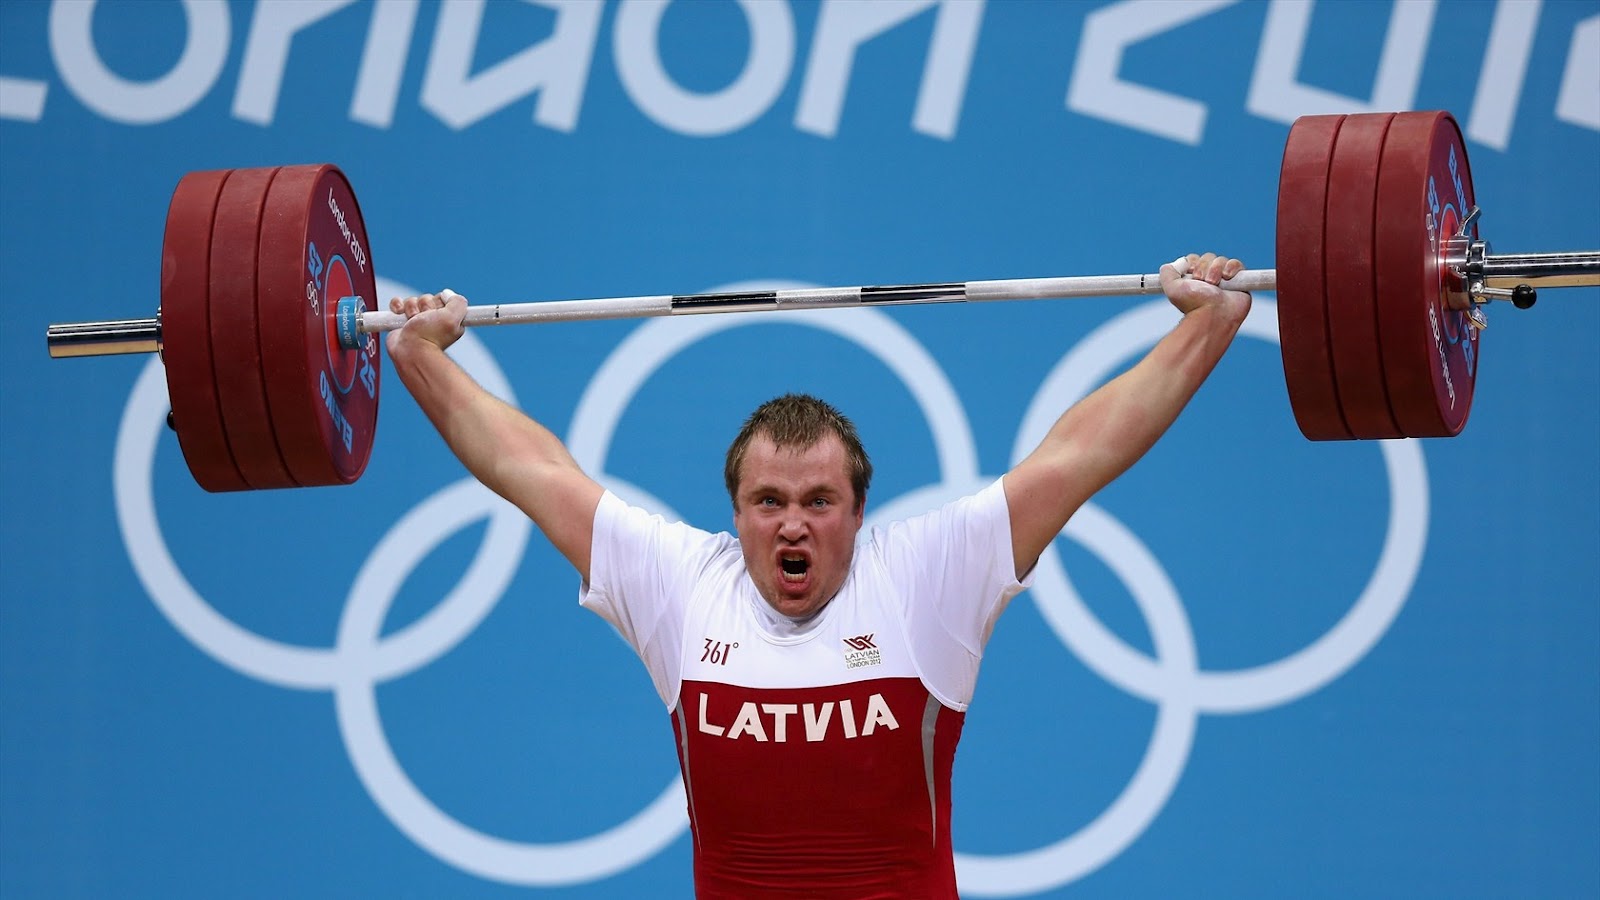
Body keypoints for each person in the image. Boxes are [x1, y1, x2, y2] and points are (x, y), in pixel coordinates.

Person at [386, 253, 1251, 898]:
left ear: (860, 513)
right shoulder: (686, 585)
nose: (793, 522)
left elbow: (1081, 456)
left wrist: (1205, 323)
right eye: (768, 500)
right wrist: (422, 356)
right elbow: (532, 472)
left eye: (819, 500)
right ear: (734, 517)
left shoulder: (922, 578)